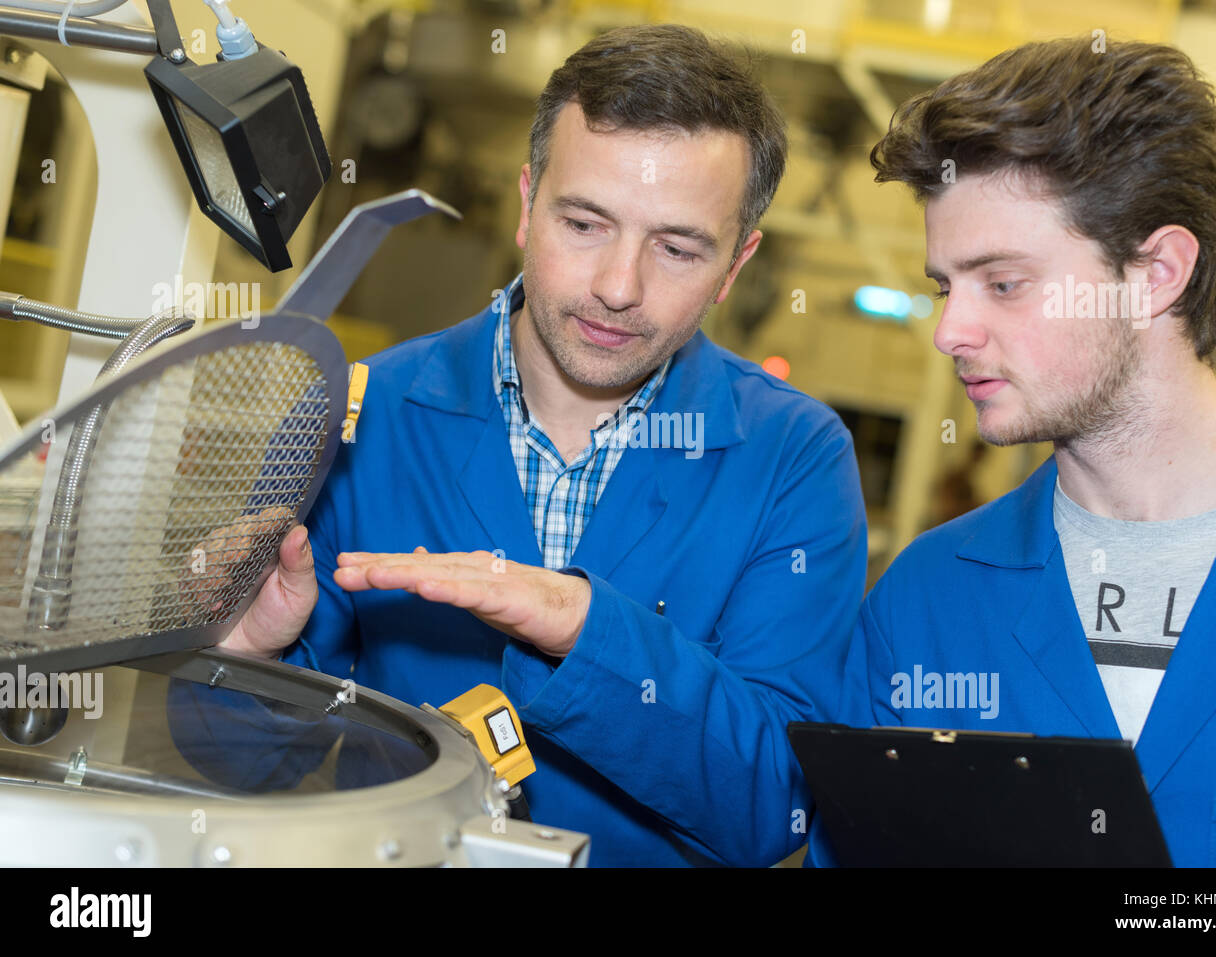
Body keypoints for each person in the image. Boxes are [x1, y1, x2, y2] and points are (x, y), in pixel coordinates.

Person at [178, 24, 868, 867]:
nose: (619, 287)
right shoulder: (362, 410)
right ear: (527, 202)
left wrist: (586, 631)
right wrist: (248, 654)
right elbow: (239, 774)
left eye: (678, 247)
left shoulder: (794, 457)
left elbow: (776, 807)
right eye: (584, 223)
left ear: (736, 265)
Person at [808, 36, 1216, 866]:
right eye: (944, 287)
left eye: (1002, 283)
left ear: (1156, 273)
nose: (950, 332)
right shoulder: (925, 603)